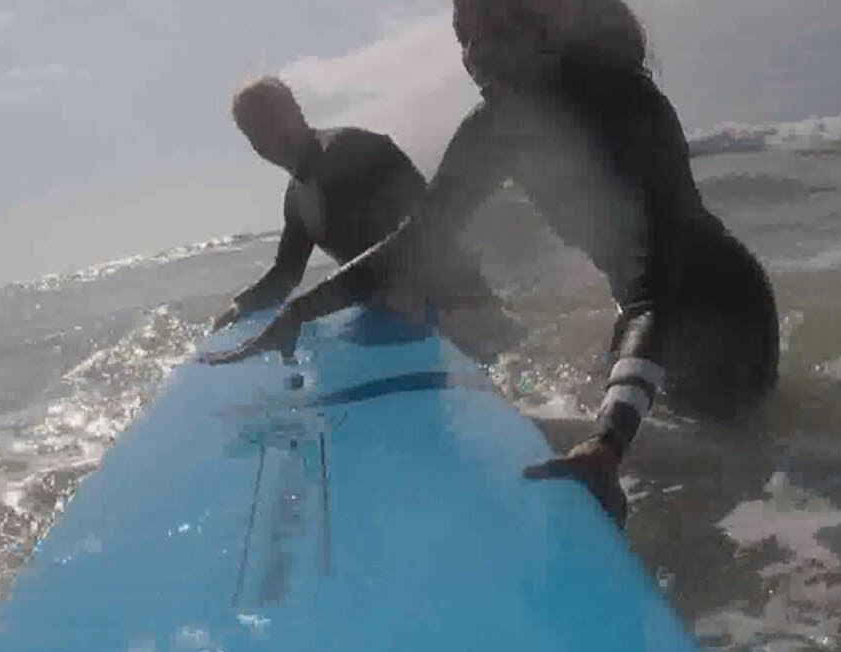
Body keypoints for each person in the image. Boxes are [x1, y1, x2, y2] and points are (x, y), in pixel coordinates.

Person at [206, 0, 779, 529]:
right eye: (462, 37)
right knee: (652, 474)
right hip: (644, 322)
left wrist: (608, 440)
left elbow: (659, 286)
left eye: (488, 32)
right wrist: (298, 313)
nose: (471, 55)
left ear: (541, 24)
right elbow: (412, 244)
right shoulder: (493, 127)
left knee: (723, 487)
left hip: (724, 319)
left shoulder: (627, 107)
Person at [215, 76, 519, 362]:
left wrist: (299, 312)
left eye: (271, 120)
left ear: (295, 109)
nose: (266, 139)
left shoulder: (354, 151)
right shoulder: (296, 197)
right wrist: (238, 307)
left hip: (459, 311)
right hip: (403, 323)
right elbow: (286, 274)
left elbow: (423, 238)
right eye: (254, 133)